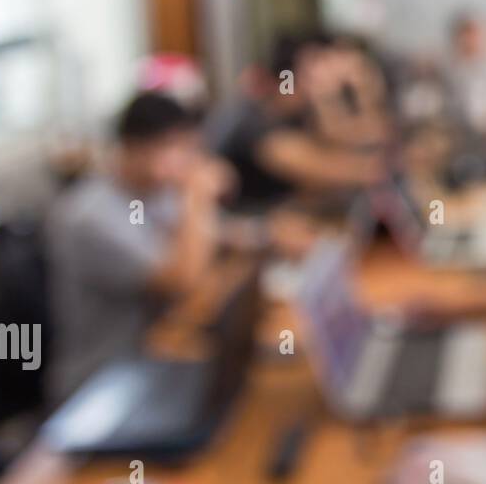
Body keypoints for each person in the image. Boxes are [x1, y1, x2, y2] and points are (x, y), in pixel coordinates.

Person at [48, 92, 233, 403]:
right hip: (102, 384)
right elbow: (183, 281)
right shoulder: (90, 216)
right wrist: (196, 196)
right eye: (179, 148)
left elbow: (208, 238)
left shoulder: (153, 190)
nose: (189, 161)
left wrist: (261, 233)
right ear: (134, 148)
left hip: (157, 356)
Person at [212, 31, 388, 212]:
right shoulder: (256, 125)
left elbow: (355, 138)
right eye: (318, 66)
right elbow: (359, 170)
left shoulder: (291, 113)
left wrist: (363, 89)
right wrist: (329, 96)